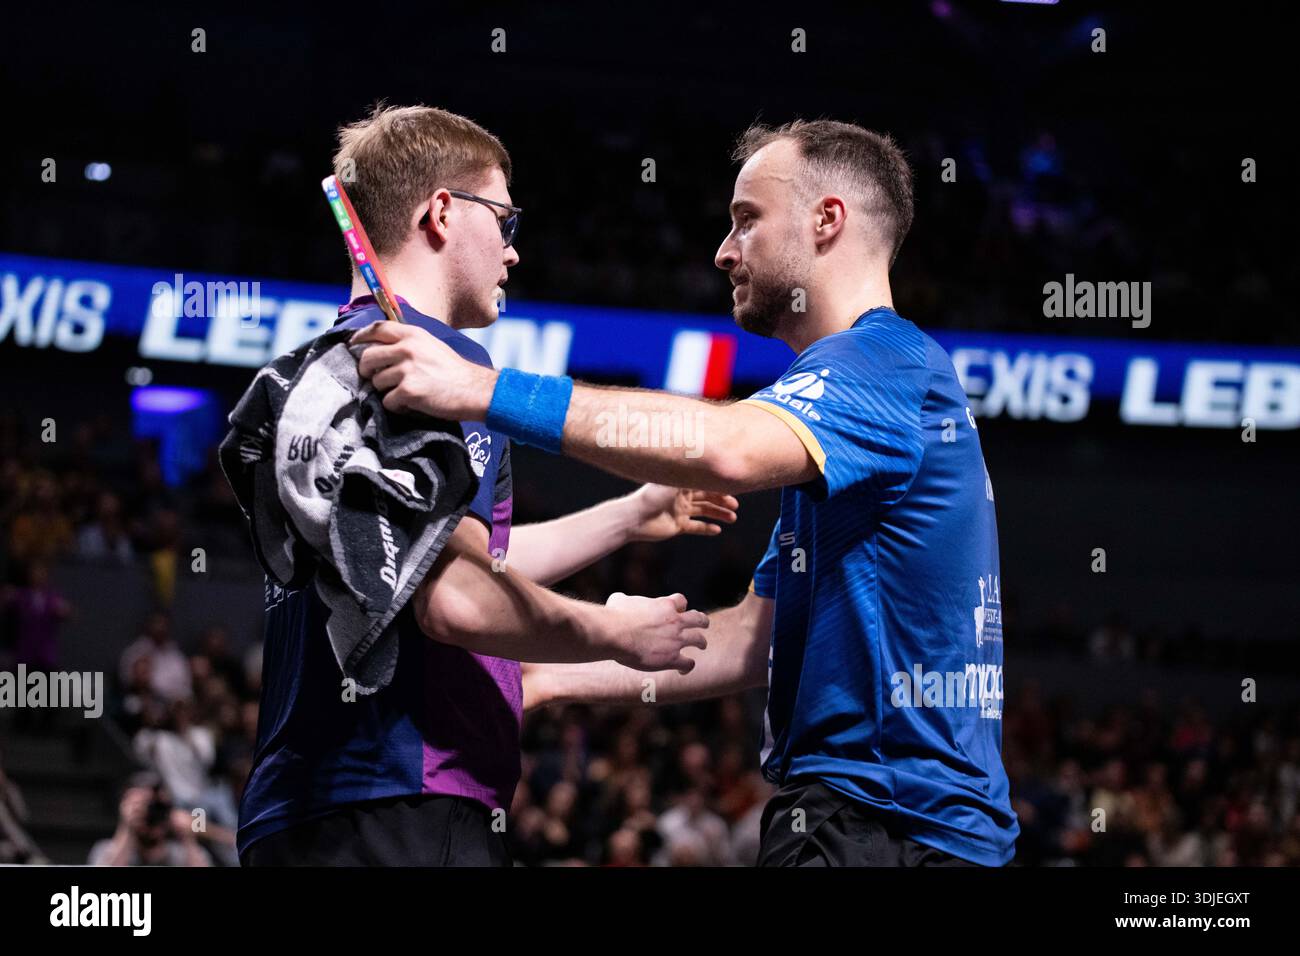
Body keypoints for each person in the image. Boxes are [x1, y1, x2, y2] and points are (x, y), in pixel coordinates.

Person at [353, 118, 1020, 867]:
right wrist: (544, 673)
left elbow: (725, 448)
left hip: (884, 825)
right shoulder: (858, 413)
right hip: (889, 825)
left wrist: (481, 388)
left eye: (746, 221)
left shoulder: (880, 364)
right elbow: (743, 644)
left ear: (827, 221)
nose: (723, 251)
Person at [237, 105, 731, 866]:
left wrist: (629, 514)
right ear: (441, 212)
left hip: (314, 808)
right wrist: (614, 632)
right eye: (504, 219)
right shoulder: (431, 370)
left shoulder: (329, 366)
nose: (513, 252)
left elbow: (452, 557)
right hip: (401, 798)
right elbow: (455, 598)